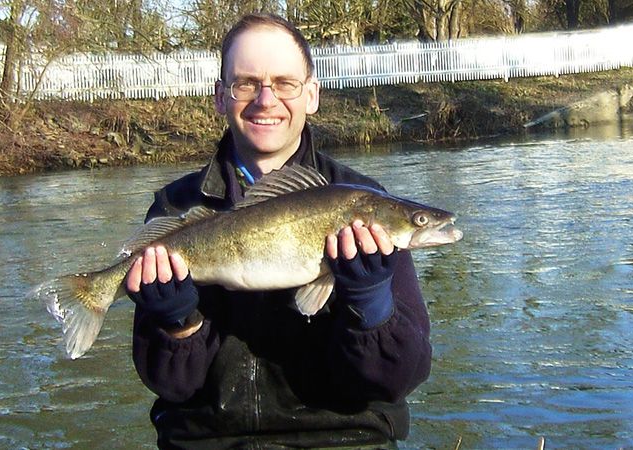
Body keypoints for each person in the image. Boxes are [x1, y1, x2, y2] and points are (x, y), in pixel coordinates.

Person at [124, 13, 432, 449]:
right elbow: (172, 387)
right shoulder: (176, 208)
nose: (265, 100)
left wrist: (372, 307)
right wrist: (179, 322)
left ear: (312, 95)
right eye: (246, 83)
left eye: (285, 83)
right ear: (219, 97)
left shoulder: (366, 202)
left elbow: (396, 381)